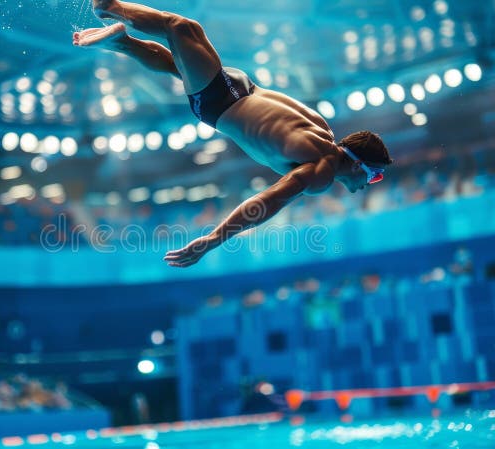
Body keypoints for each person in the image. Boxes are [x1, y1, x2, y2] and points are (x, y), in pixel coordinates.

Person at [73, 1, 393, 267]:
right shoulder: (322, 168)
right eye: (374, 176)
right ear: (358, 164)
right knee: (180, 46)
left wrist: (212, 239)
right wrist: (214, 241)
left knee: (185, 31)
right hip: (227, 97)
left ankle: (116, 22)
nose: (367, 185)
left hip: (227, 98)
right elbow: (268, 202)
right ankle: (116, 29)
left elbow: (266, 201)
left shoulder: (322, 132)